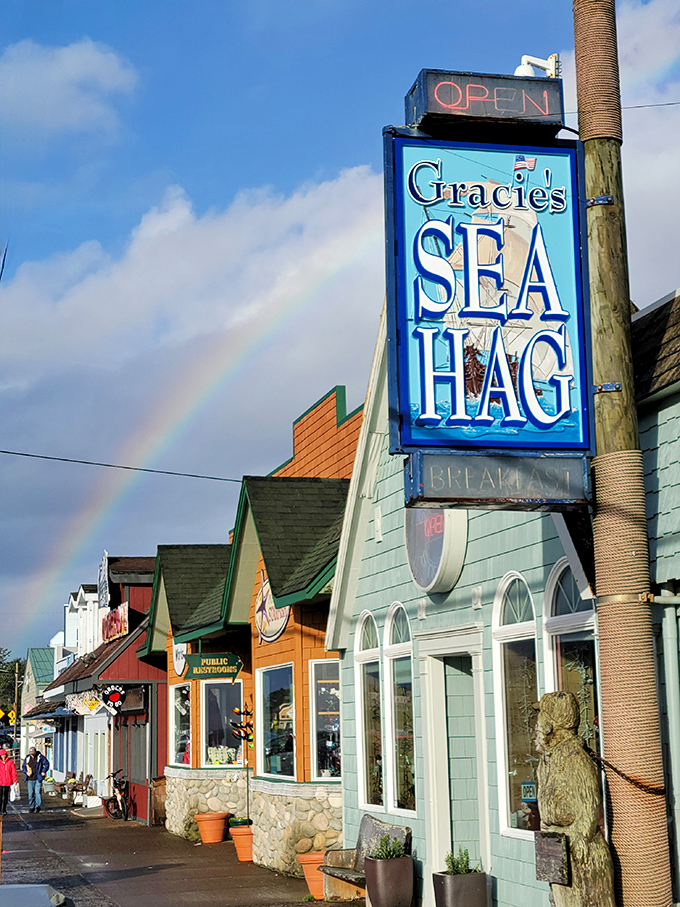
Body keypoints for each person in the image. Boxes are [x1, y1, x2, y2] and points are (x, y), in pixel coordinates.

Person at [22, 746, 49, 813]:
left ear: (35, 752)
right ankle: (31, 806)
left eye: (33, 753)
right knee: (30, 794)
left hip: (38, 778)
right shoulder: (27, 758)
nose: (32, 754)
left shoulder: (40, 757)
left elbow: (46, 764)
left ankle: (38, 806)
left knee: (38, 792)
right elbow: (23, 766)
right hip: (30, 778)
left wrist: (43, 771)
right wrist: (26, 772)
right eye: (31, 753)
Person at [0, 747, 17, 815]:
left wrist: (14, 780)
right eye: (2, 755)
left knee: (6, 796)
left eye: (4, 754)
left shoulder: (10, 762)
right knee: (0, 796)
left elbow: (13, 771)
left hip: (8, 781)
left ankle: (4, 809)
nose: (3, 756)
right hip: (0, 782)